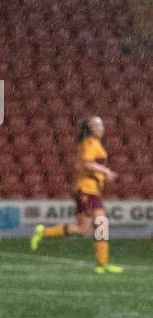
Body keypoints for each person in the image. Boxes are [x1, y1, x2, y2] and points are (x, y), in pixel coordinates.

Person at [30, 116, 122, 273]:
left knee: (82, 228)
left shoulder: (93, 143)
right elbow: (87, 163)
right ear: (90, 129)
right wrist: (106, 171)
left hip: (88, 189)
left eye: (101, 124)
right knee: (100, 223)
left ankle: (43, 231)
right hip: (87, 189)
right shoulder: (90, 143)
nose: (100, 127)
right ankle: (102, 264)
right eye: (96, 125)